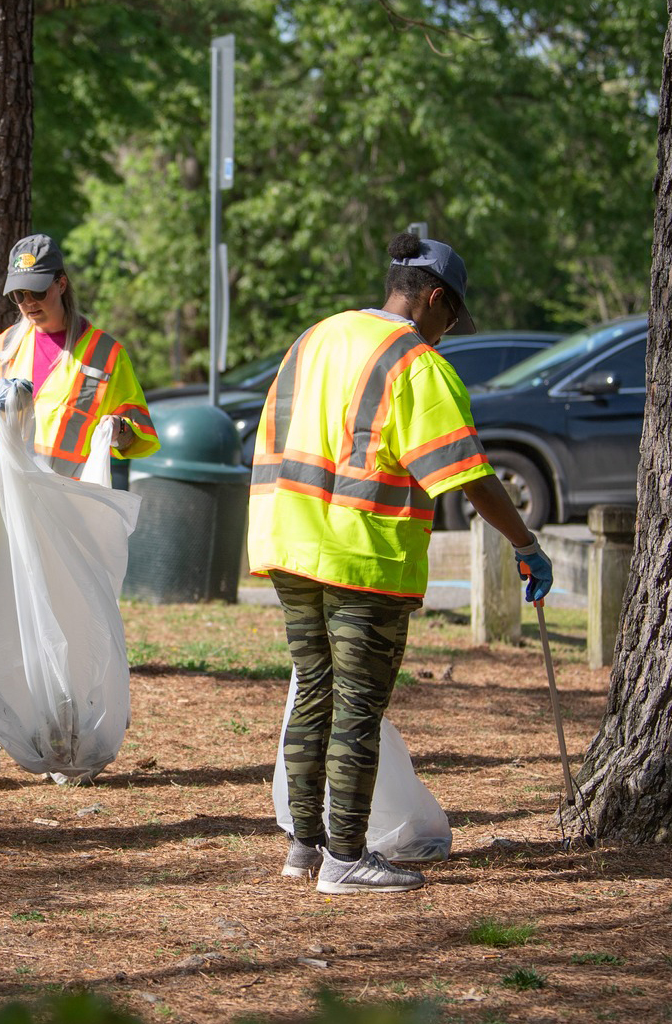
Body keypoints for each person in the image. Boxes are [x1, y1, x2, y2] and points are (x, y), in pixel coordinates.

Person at [248, 233, 551, 894]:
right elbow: (468, 474)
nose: (447, 333)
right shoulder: (415, 363)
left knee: (314, 699)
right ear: (435, 299)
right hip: (363, 559)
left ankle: (304, 849)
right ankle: (347, 859)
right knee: (357, 710)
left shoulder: (317, 337)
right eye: (450, 318)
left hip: (289, 545)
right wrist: (526, 543)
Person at [0, 233, 161, 785]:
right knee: (3, 617)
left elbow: (140, 427)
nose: (28, 304)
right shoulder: (4, 348)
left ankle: (66, 744)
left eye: (37, 292)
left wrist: (119, 430)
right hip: (7, 508)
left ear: (62, 284)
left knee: (69, 622)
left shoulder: (104, 354)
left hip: (67, 512)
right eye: (19, 296)